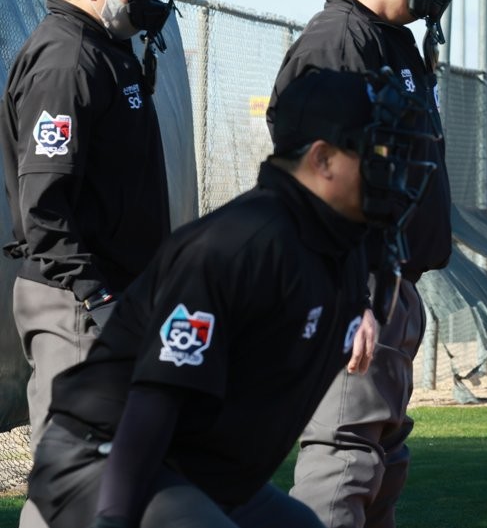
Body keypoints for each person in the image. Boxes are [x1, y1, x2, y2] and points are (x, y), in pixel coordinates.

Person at [25, 66, 441, 528]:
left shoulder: (339, 245)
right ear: (322, 160)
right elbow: (154, 401)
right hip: (106, 458)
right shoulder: (241, 245)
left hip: (199, 471)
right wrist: (114, 520)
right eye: (377, 152)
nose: (395, 170)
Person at [266, 0, 460, 528]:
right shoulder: (336, 43)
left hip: (393, 283)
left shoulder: (391, 41)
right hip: (358, 287)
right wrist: (355, 294)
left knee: (381, 461)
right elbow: (317, 191)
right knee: (343, 458)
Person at [0, 0, 177, 528]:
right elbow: (44, 205)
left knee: (114, 480)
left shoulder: (105, 49)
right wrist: (97, 297)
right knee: (71, 484)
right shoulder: (67, 58)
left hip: (109, 294)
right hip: (78, 298)